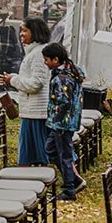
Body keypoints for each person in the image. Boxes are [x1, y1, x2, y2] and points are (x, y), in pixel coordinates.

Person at [0, 16, 52, 166]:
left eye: (25, 30)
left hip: (36, 111)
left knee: (39, 154)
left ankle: (40, 178)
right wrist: (13, 77)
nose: (21, 34)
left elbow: (36, 84)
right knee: (28, 154)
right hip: (31, 110)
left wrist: (12, 81)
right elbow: (32, 78)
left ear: (35, 32)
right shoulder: (33, 53)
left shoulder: (39, 54)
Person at [42, 41, 87, 199]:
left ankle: (69, 189)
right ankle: (74, 179)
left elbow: (64, 102)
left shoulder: (62, 79)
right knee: (51, 150)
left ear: (55, 60)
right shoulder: (70, 71)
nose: (45, 62)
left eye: (47, 59)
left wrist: (57, 120)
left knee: (64, 154)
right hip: (63, 122)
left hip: (62, 123)